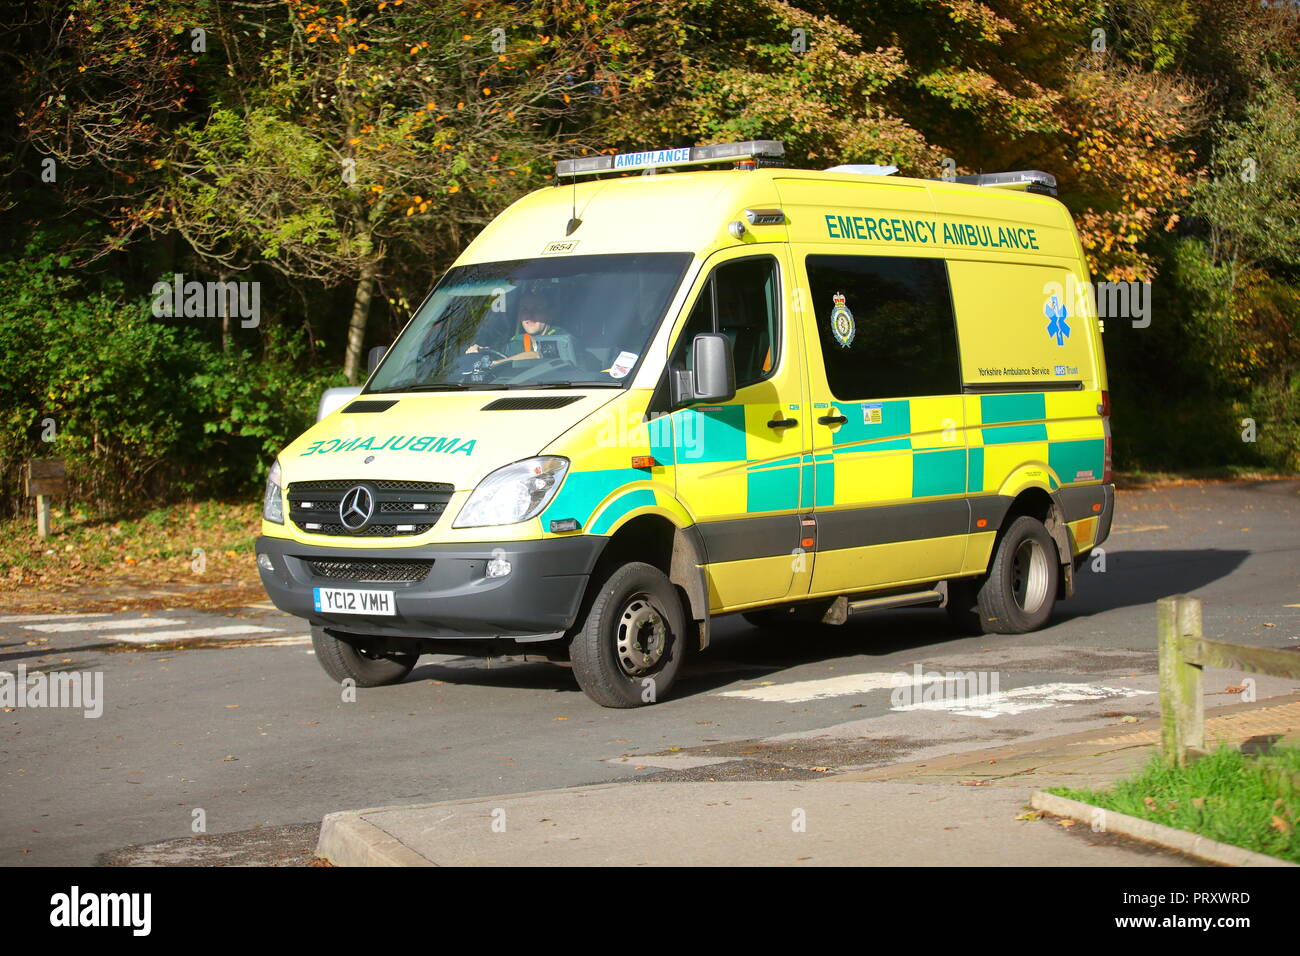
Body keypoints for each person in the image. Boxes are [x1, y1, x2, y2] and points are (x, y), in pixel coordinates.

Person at [467, 288, 567, 363]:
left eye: (537, 308)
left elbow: (539, 355)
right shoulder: (516, 342)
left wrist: (498, 363)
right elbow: (498, 355)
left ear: (550, 313)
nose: (529, 314)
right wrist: (481, 351)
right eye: (524, 309)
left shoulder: (561, 337)